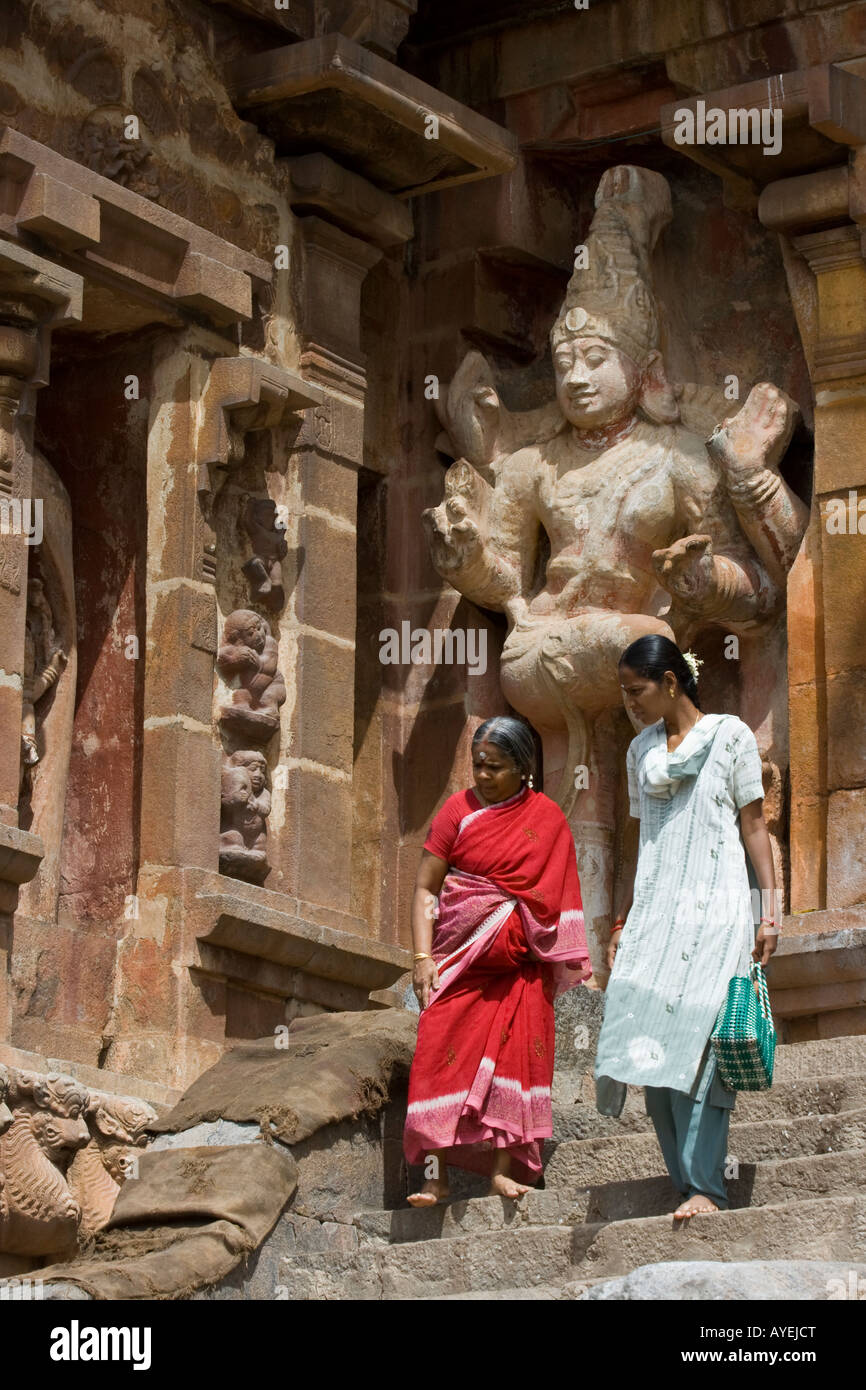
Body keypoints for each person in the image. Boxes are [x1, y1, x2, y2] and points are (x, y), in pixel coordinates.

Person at [594, 635, 779, 1219]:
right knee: (652, 1050)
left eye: (636, 690)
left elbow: (753, 827)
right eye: (624, 692)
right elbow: (643, 838)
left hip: (718, 909)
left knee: (700, 1047)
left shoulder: (731, 736)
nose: (630, 703)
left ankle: (707, 1187)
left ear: (671, 681)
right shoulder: (638, 752)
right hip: (656, 917)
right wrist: (624, 917)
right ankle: (683, 1183)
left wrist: (767, 909)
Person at [404, 716, 592, 1206]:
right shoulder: (456, 811)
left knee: (515, 1064)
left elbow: (554, 897)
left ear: (523, 768)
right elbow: (427, 886)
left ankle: (503, 1173)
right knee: (435, 1061)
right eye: (477, 765)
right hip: (458, 963)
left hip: (518, 971)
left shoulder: (547, 818)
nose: (482, 776)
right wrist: (422, 957)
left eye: (495, 767)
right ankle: (434, 1176)